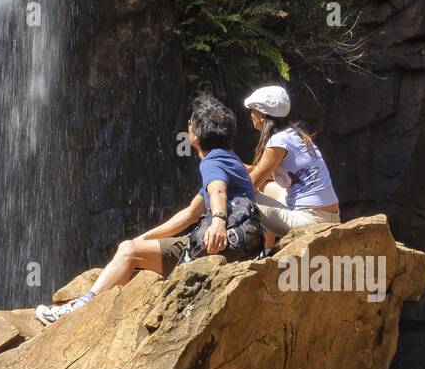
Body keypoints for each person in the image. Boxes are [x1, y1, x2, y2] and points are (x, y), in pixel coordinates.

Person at [36, 93, 260, 325]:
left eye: (191, 122)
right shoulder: (229, 158)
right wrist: (141, 238)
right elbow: (189, 214)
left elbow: (218, 191)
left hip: (220, 242)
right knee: (130, 249)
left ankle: (81, 308)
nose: (188, 125)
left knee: (129, 254)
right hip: (238, 242)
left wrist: (218, 221)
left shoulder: (212, 163)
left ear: (195, 132)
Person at [243, 85, 340, 249]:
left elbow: (249, 184)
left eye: (252, 110)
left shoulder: (277, 142)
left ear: (261, 114)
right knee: (267, 187)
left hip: (310, 222)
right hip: (330, 217)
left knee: (239, 195)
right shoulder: (292, 134)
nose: (251, 115)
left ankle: (251, 249)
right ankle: (268, 249)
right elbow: (260, 173)